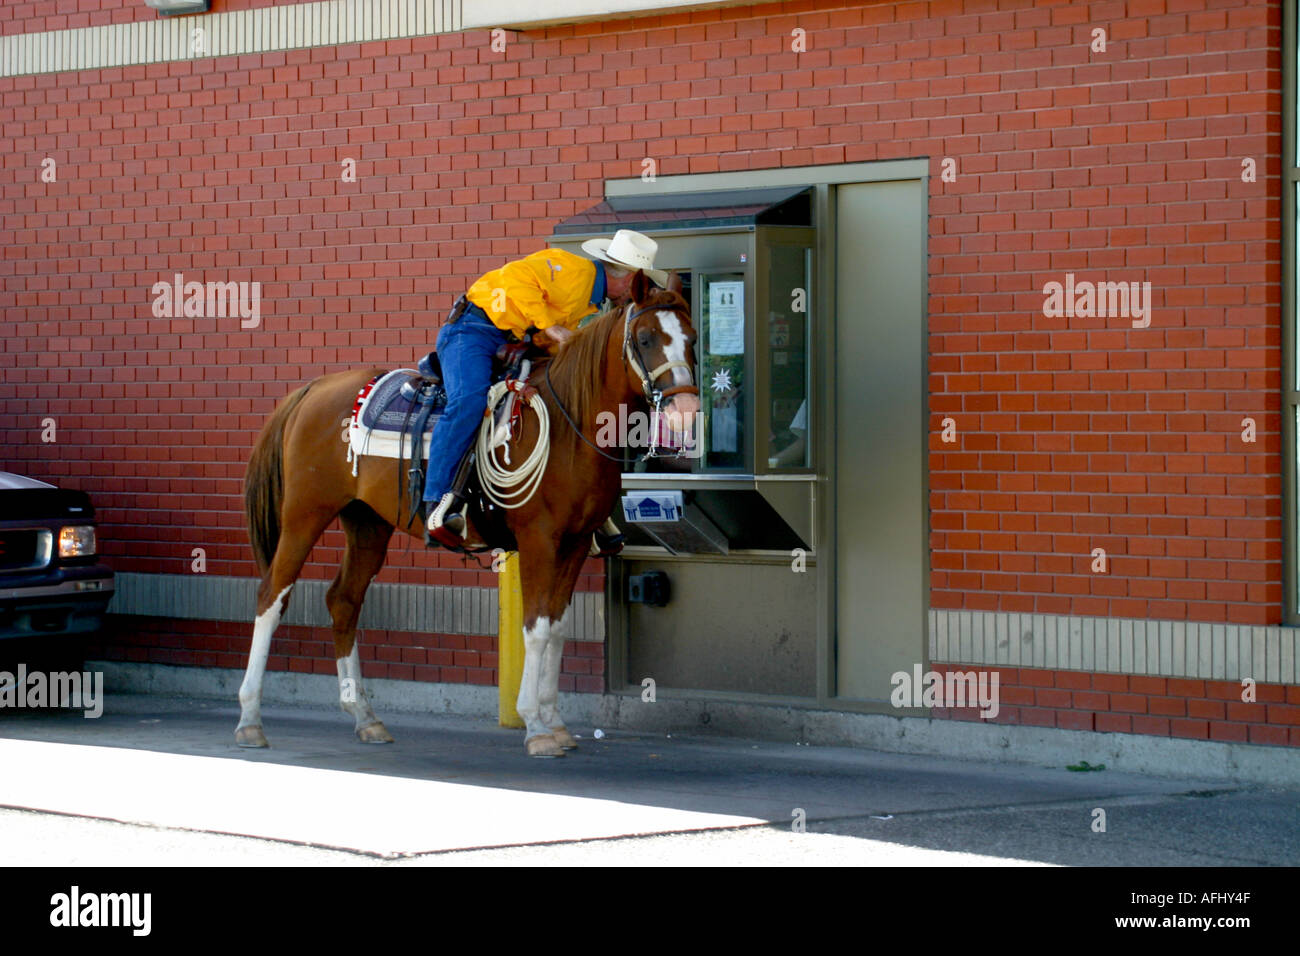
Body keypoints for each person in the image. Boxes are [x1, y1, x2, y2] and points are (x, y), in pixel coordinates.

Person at [424, 229, 670, 551]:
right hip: (473, 331)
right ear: (625, 277)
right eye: (638, 284)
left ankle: (577, 507)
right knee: (468, 402)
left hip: (513, 341)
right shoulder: (572, 269)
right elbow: (516, 279)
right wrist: (551, 329)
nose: (632, 295)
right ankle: (435, 503)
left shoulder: (592, 301)